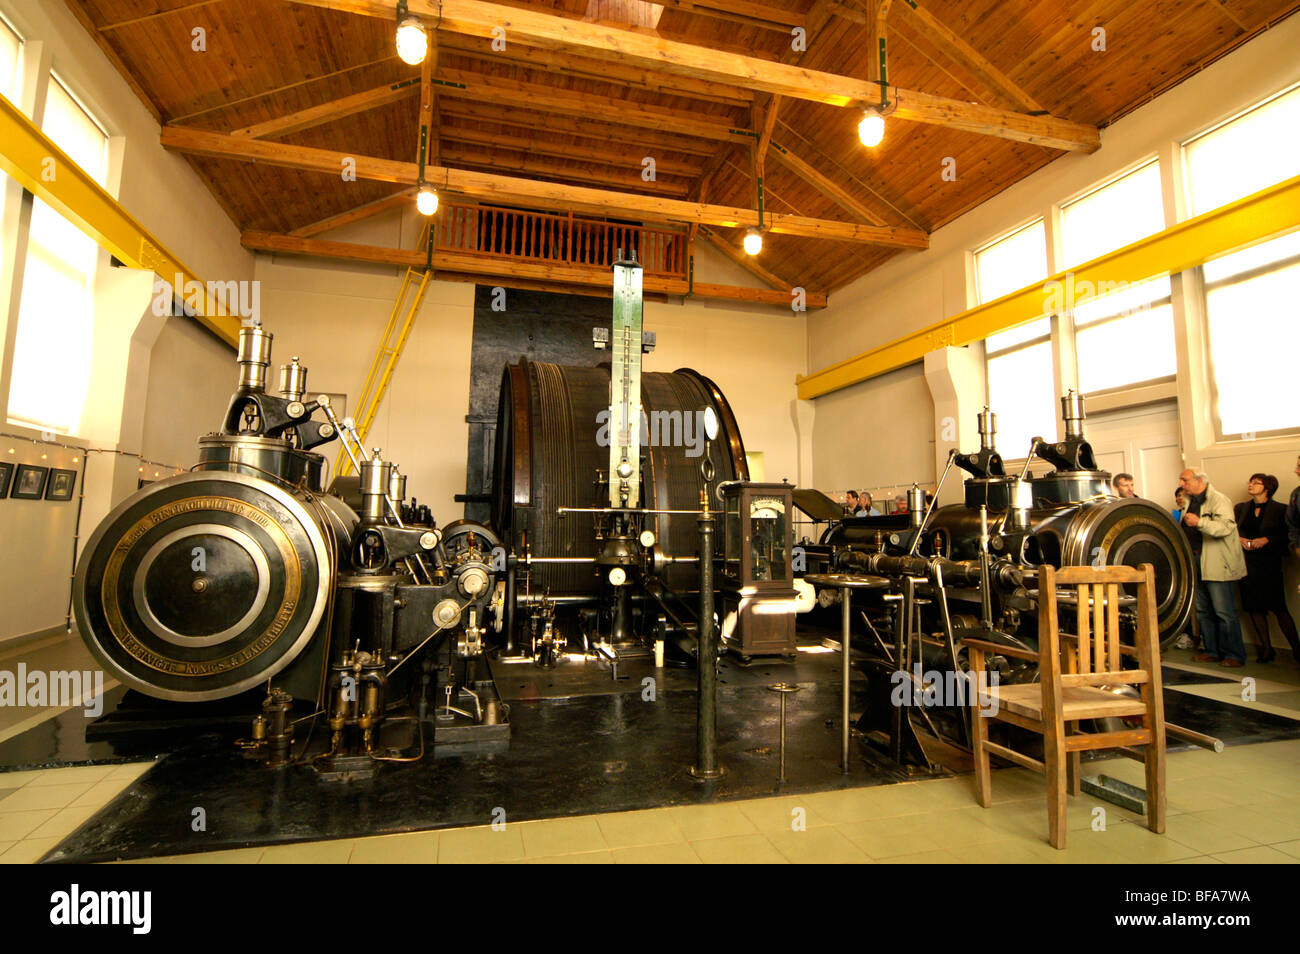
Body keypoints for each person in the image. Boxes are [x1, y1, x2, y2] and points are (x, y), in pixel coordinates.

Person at [1179, 468, 1247, 667]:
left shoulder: (1219, 500)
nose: (1182, 484)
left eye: (1185, 480)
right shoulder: (1189, 502)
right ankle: (1211, 650)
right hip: (1195, 561)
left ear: (1199, 480)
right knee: (1202, 611)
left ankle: (1234, 654)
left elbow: (1226, 527)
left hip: (1216, 562)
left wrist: (1200, 522)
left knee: (1224, 611)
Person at [1235, 474, 1300, 663]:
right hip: (1247, 563)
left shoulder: (1280, 509)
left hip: (1269, 564)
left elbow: (1288, 536)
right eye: (1250, 482)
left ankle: (1296, 649)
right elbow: (1233, 530)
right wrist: (1241, 540)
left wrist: (1267, 540)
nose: (1251, 485)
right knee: (1254, 608)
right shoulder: (1242, 508)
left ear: (1267, 488)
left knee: (1279, 608)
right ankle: (1266, 648)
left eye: (1256, 483)